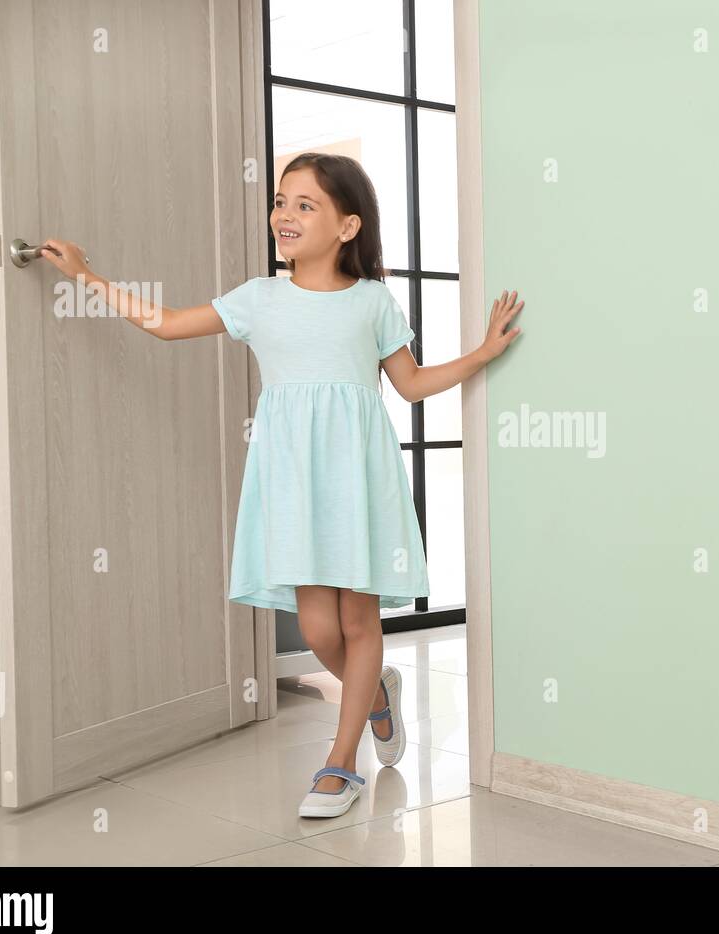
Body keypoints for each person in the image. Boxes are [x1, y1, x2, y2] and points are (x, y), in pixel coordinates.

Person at [41, 151, 522, 819]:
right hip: (292, 481)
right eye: (280, 201)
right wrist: (87, 275)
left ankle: (340, 762)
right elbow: (168, 324)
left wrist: (482, 353)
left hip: (359, 478)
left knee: (359, 618)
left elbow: (410, 385)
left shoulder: (373, 301)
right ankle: (376, 690)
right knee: (322, 628)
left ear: (348, 226)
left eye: (305, 205)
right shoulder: (258, 299)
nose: (284, 216)